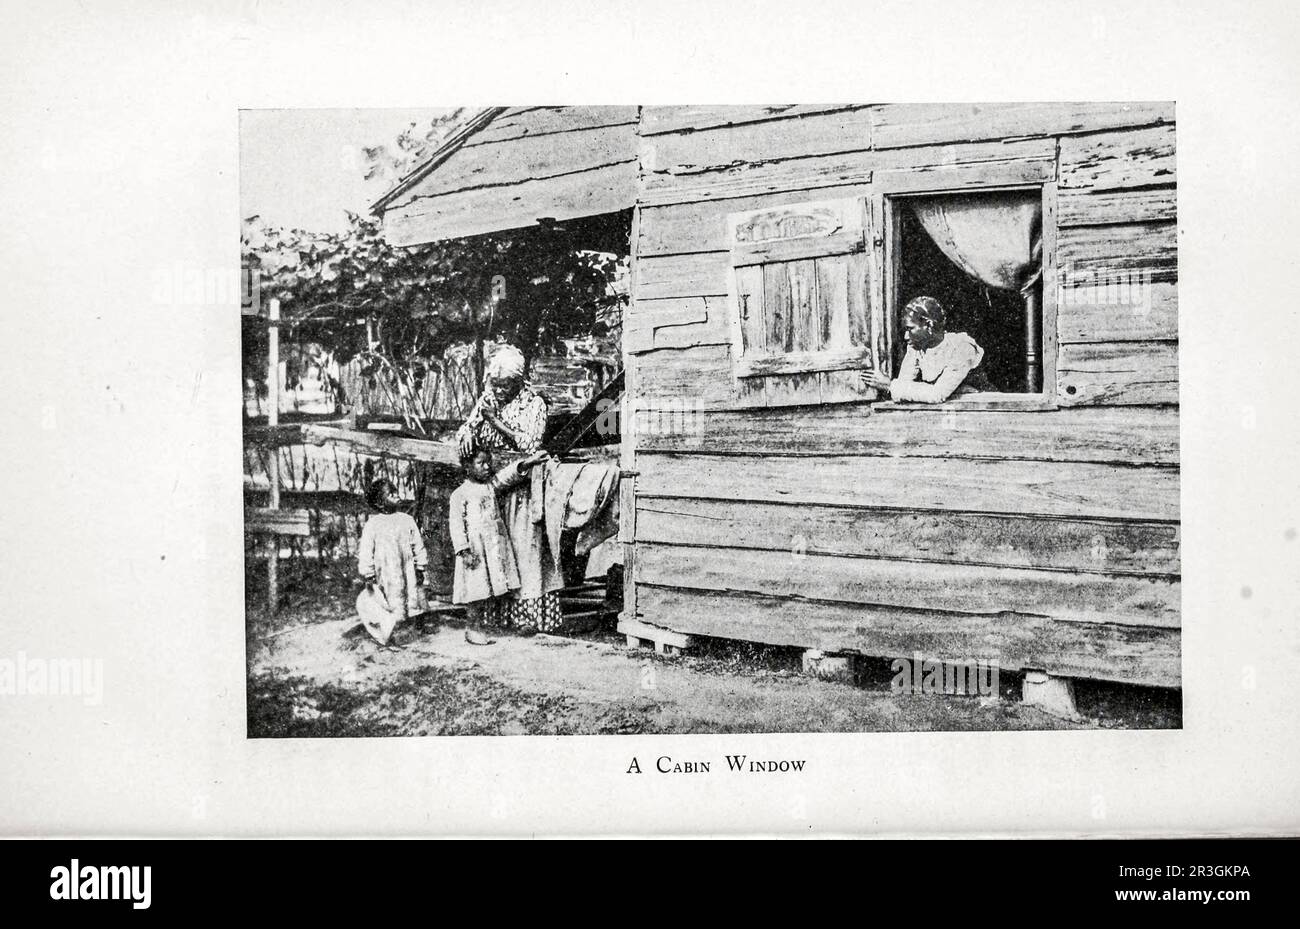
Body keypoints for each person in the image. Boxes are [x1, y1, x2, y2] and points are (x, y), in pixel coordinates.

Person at [454, 345, 564, 635]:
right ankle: (496, 616)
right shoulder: (488, 398)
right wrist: (467, 434)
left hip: (522, 489)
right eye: (496, 384)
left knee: (524, 551)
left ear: (519, 382)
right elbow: (466, 427)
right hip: (491, 489)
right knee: (495, 553)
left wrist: (495, 422)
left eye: (506, 385)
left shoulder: (534, 404)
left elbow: (530, 444)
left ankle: (528, 618)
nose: (500, 390)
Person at [450, 447, 550, 645]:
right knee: (476, 590)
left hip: (493, 548)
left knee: (489, 588)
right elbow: (456, 525)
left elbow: (507, 476)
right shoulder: (460, 494)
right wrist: (464, 550)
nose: (487, 467)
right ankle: (472, 628)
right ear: (468, 467)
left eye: (489, 462)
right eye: (481, 463)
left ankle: (485, 625)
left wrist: (529, 462)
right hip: (475, 550)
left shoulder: (490, 487)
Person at [861, 296, 987, 403]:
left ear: (928, 325)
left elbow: (938, 394)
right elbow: (904, 383)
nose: (906, 336)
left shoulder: (961, 348)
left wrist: (890, 385)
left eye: (910, 329)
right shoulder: (917, 347)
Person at [357, 477, 430, 645]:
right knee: (391, 599)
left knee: (414, 595)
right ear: (380, 503)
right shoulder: (373, 524)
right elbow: (366, 550)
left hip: (408, 568)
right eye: (391, 494)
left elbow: (417, 544)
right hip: (386, 571)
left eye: (396, 492)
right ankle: (394, 631)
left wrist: (420, 566)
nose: (397, 496)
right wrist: (368, 573)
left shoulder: (407, 520)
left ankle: (416, 626)